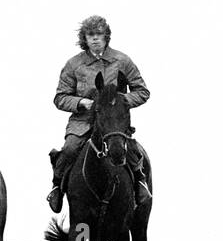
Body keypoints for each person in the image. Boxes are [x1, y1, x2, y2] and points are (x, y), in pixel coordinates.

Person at [48, 15, 151, 212]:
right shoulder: (73, 64)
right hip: (82, 122)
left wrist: (120, 103)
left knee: (132, 151)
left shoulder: (122, 60)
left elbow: (143, 92)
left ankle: (140, 183)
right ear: (84, 38)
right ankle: (57, 188)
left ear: (106, 37)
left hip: (114, 123)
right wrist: (80, 102)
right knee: (69, 149)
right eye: (90, 35)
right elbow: (60, 98)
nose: (95, 38)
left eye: (99, 34)